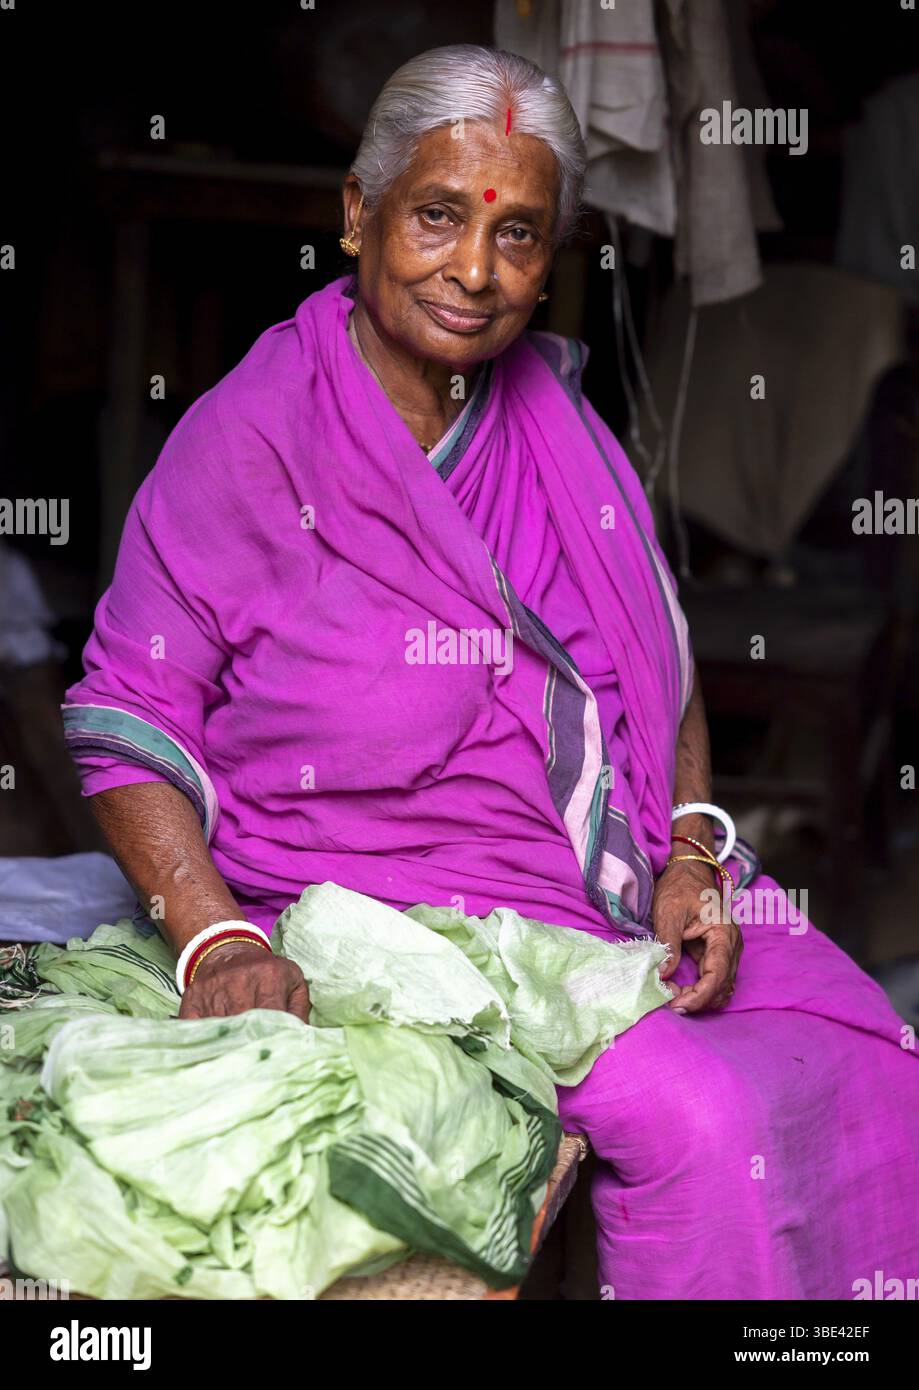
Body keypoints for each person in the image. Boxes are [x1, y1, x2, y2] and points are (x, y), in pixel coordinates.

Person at [64, 45, 919, 1300]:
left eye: (518, 234)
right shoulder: (250, 438)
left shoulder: (557, 427)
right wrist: (212, 941)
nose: (475, 270)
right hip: (391, 924)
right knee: (704, 1121)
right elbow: (125, 712)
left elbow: (660, 664)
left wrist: (689, 854)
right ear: (356, 216)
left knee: (876, 1059)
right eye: (436, 216)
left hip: (612, 893)